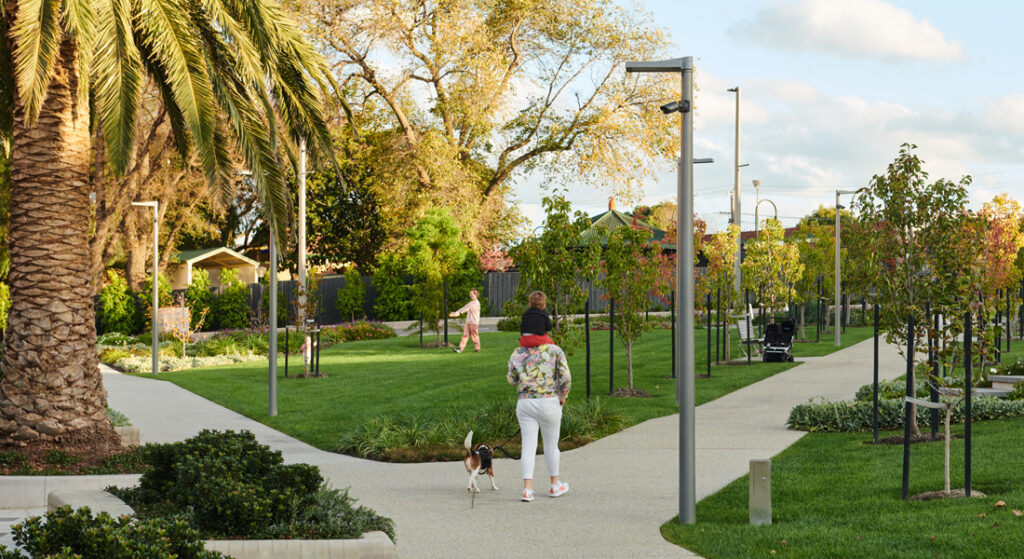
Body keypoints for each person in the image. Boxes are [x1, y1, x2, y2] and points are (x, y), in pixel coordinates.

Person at [507, 340, 571, 502]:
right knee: (551, 445)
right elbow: (565, 377)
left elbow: (512, 380)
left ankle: (527, 490)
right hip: (549, 401)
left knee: (528, 445)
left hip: (525, 403)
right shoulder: (555, 351)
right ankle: (554, 485)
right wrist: (563, 395)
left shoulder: (517, 352)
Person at [449, 289, 481, 353]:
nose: (470, 295)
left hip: (474, 322)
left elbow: (467, 309)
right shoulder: (471, 302)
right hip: (468, 322)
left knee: (474, 336)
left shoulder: (476, 303)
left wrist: (459, 313)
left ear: (475, 294)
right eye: (470, 294)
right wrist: (455, 312)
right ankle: (460, 349)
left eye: (471, 294)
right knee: (465, 335)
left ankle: (477, 348)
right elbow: (464, 307)